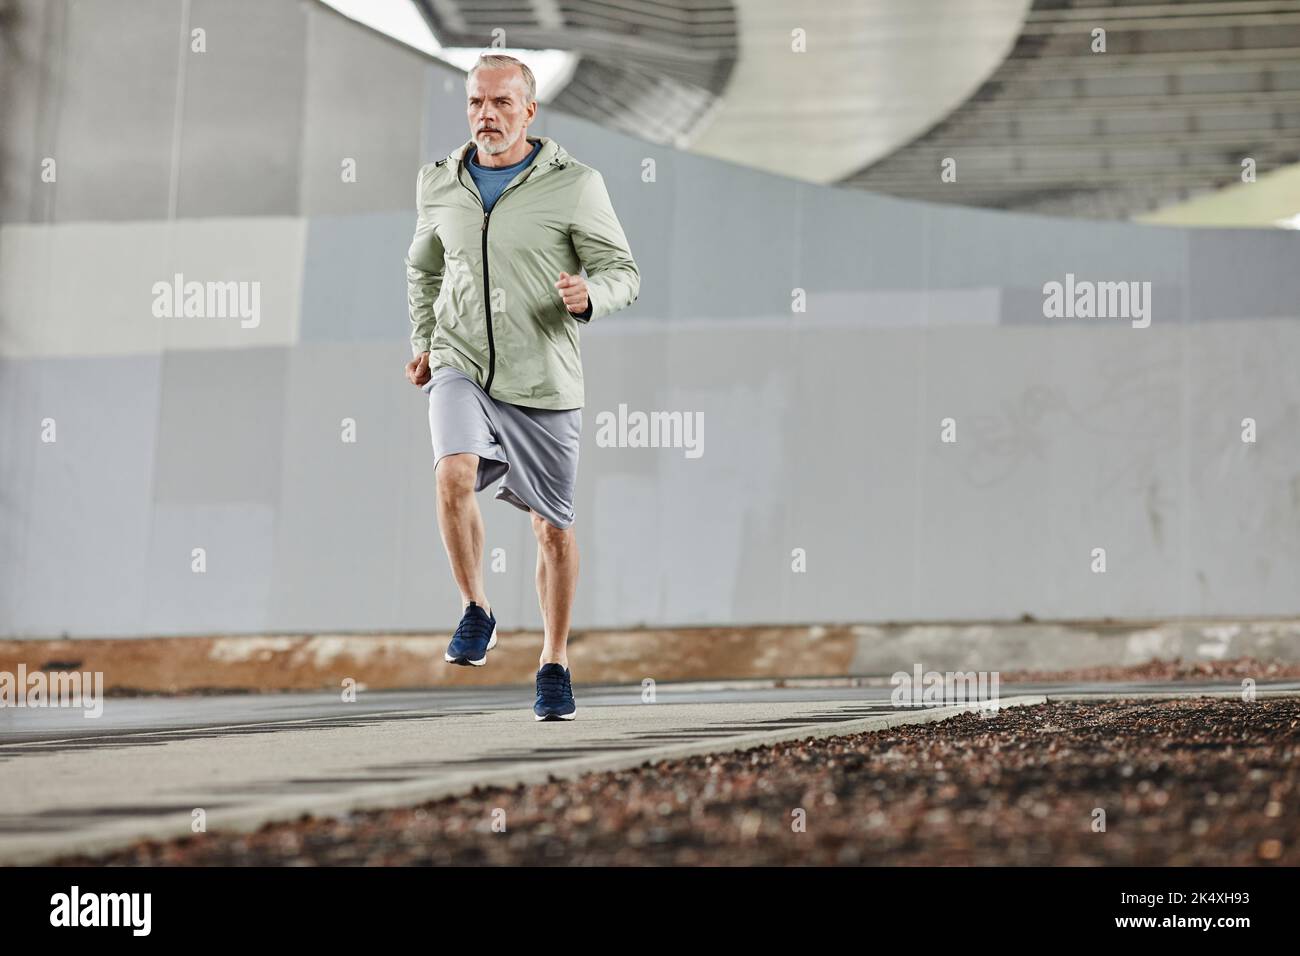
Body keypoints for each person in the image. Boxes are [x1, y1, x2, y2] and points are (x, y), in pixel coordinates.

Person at [403, 54, 640, 721]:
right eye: (477, 102)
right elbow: (421, 270)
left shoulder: (575, 185)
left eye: (502, 103)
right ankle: (475, 609)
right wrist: (424, 340)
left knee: (552, 529)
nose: (487, 115)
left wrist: (590, 293)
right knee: (452, 474)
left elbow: (622, 271)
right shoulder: (439, 182)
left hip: (542, 377)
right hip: (462, 359)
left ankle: (555, 659)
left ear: (529, 111)